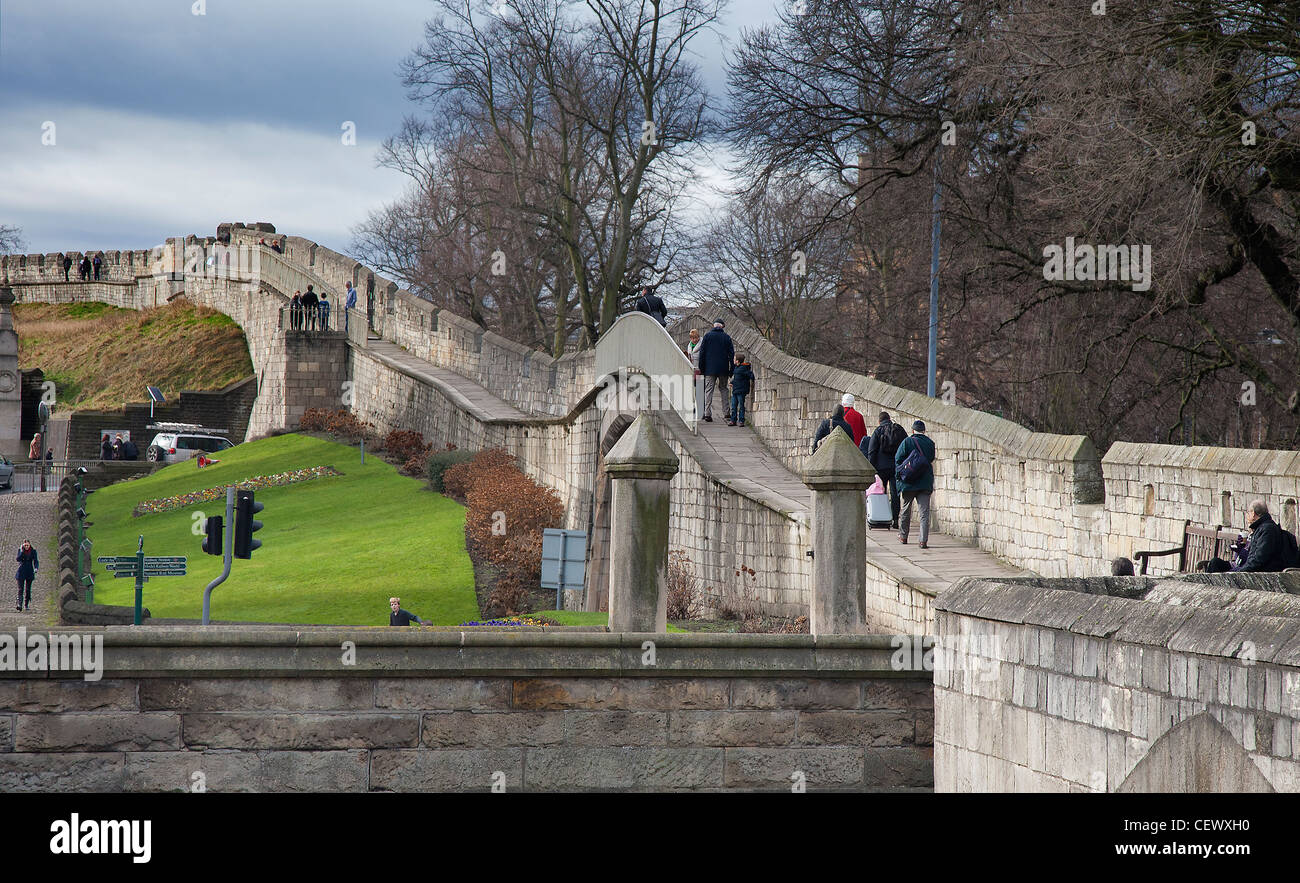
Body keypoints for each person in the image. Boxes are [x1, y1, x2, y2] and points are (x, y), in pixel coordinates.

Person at [896, 419, 937, 549]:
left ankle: (903, 536)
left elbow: (898, 459)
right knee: (924, 512)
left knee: (906, 509)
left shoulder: (907, 441)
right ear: (924, 431)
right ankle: (923, 540)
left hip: (909, 481)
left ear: (913, 431)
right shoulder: (930, 443)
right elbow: (930, 458)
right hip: (925, 481)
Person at [864, 411, 907, 529]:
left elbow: (871, 452)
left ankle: (881, 518)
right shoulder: (899, 430)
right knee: (895, 494)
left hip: (880, 468)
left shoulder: (878, 431)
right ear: (889, 419)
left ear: (879, 421)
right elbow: (906, 447)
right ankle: (895, 519)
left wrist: (872, 469)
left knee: (879, 493)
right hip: (895, 467)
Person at [697, 320, 734, 423]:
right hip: (723, 368)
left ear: (714, 326)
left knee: (709, 390)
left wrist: (702, 368)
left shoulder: (707, 336)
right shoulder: (726, 337)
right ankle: (726, 412)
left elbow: (702, 354)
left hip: (709, 369)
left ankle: (707, 414)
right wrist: (732, 369)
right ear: (722, 326)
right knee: (723, 389)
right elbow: (731, 354)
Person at [729, 355, 755, 427]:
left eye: (734, 359)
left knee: (741, 406)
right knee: (734, 406)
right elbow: (737, 378)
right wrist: (732, 382)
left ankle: (741, 420)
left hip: (741, 390)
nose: (733, 360)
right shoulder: (736, 368)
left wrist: (751, 379)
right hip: (735, 390)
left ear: (737, 361)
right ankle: (733, 420)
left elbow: (750, 375)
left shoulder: (744, 368)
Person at [15, 540, 38, 613]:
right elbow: (18, 559)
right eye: (25, 545)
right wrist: (21, 552)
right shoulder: (21, 550)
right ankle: (19, 604)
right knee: (20, 589)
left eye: (27, 545)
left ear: (30, 545)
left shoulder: (33, 551)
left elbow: (36, 560)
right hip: (21, 571)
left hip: (29, 571)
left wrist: (36, 568)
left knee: (28, 589)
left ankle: (26, 604)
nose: (26, 547)